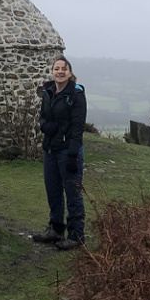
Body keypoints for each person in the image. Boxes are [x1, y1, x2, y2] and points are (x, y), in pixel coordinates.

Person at [32, 56, 87, 250]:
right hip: (51, 149)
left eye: (64, 68)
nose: (60, 71)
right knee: (53, 190)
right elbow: (43, 118)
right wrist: (47, 126)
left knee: (73, 193)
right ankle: (55, 229)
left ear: (70, 73)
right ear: (52, 72)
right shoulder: (48, 92)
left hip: (68, 151)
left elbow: (77, 127)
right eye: (57, 68)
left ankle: (76, 235)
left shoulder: (76, 95)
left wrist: (73, 154)